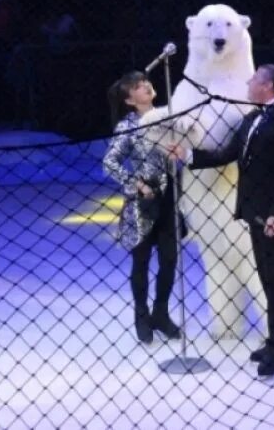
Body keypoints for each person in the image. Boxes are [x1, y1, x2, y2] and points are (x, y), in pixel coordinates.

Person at [168, 64, 274, 377]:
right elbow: (228, 153)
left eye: (255, 78)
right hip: (254, 212)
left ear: (268, 85)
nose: (248, 81)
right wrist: (189, 156)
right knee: (269, 279)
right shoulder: (252, 118)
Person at [103, 71, 183, 344]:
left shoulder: (166, 116)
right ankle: (141, 314)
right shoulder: (128, 126)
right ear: (129, 100)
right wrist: (136, 183)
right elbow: (109, 162)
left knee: (170, 259)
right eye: (137, 86)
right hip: (143, 201)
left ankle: (160, 312)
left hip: (169, 196)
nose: (146, 86)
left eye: (146, 82)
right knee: (142, 261)